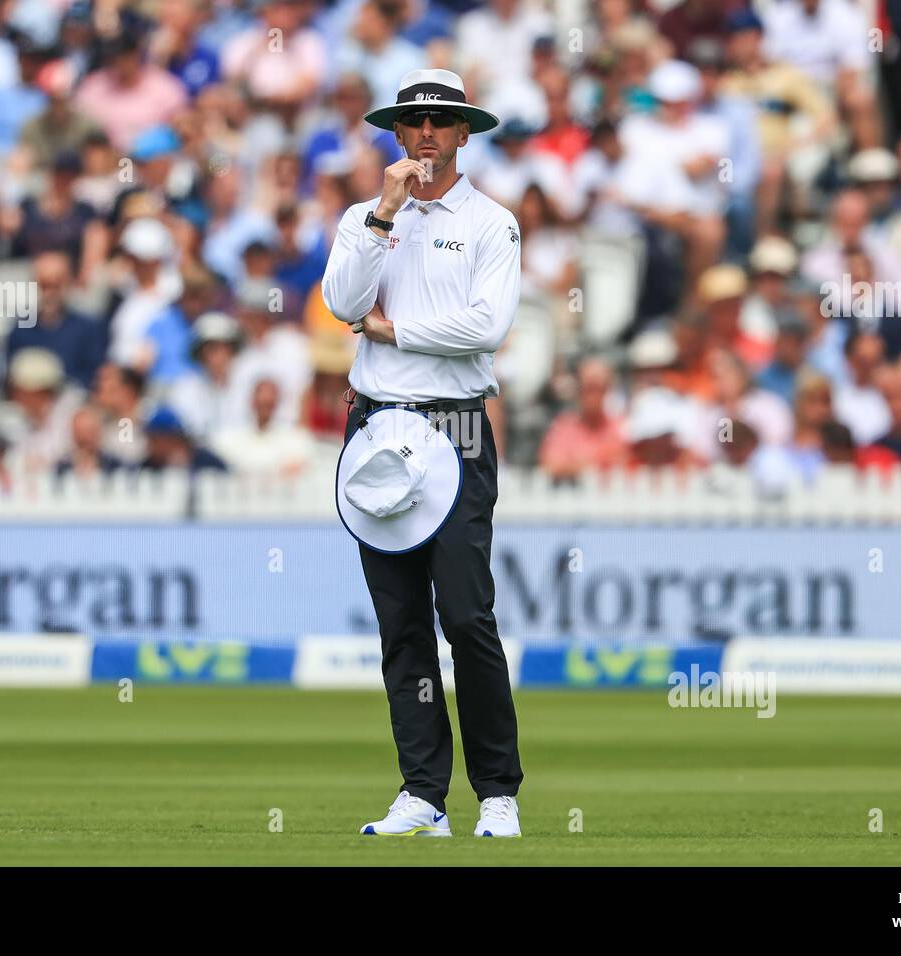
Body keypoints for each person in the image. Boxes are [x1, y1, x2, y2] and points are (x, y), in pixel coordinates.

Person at [320, 68, 524, 838]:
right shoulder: (366, 216)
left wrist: (390, 330)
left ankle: (497, 791)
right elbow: (340, 302)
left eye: (443, 120)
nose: (429, 133)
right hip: (377, 426)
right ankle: (423, 794)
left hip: (457, 424)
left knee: (466, 615)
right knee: (400, 624)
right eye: (416, 123)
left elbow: (485, 328)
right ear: (398, 135)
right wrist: (383, 215)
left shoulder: (491, 223)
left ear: (464, 132)